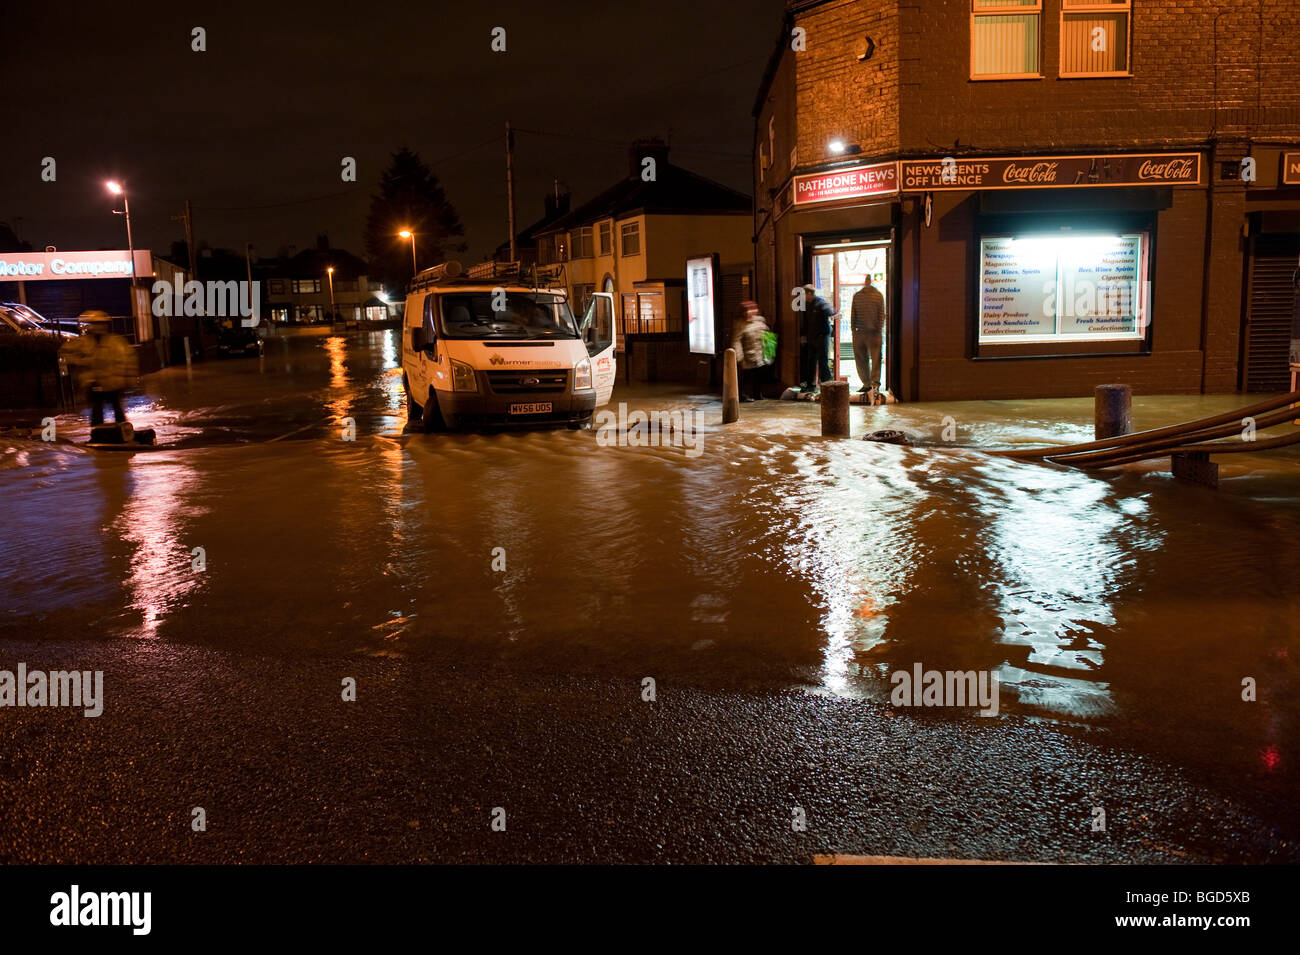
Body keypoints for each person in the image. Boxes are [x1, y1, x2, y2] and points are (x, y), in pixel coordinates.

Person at [62, 310, 138, 426]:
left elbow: (129, 360)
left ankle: (124, 434)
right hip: (94, 385)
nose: (99, 327)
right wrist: (81, 362)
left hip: (113, 385)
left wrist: (129, 380)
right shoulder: (83, 342)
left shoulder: (116, 342)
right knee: (97, 413)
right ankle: (97, 435)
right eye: (96, 323)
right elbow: (65, 353)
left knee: (118, 411)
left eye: (102, 323)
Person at [850, 275, 886, 394]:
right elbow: (882, 314)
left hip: (860, 332)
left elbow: (853, 315)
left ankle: (866, 383)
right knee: (876, 359)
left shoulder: (857, 296)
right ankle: (874, 384)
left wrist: (853, 330)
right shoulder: (878, 295)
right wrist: (879, 329)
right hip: (874, 333)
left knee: (861, 359)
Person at [731, 301, 771, 402]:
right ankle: (742, 395)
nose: (752, 311)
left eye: (754, 309)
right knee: (746, 376)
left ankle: (757, 393)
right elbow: (736, 340)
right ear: (744, 312)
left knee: (759, 375)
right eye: (749, 310)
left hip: (759, 353)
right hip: (747, 354)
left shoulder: (760, 321)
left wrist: (769, 353)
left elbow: (768, 336)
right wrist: (739, 356)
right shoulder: (740, 324)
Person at [799, 284, 834, 392]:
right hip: (812, 337)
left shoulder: (820, 302)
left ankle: (826, 383)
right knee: (811, 361)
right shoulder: (808, 304)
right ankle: (811, 384)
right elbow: (807, 322)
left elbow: (830, 311)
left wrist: (831, 313)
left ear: (809, 293)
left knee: (822, 361)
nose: (803, 297)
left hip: (821, 336)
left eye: (804, 294)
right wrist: (804, 336)